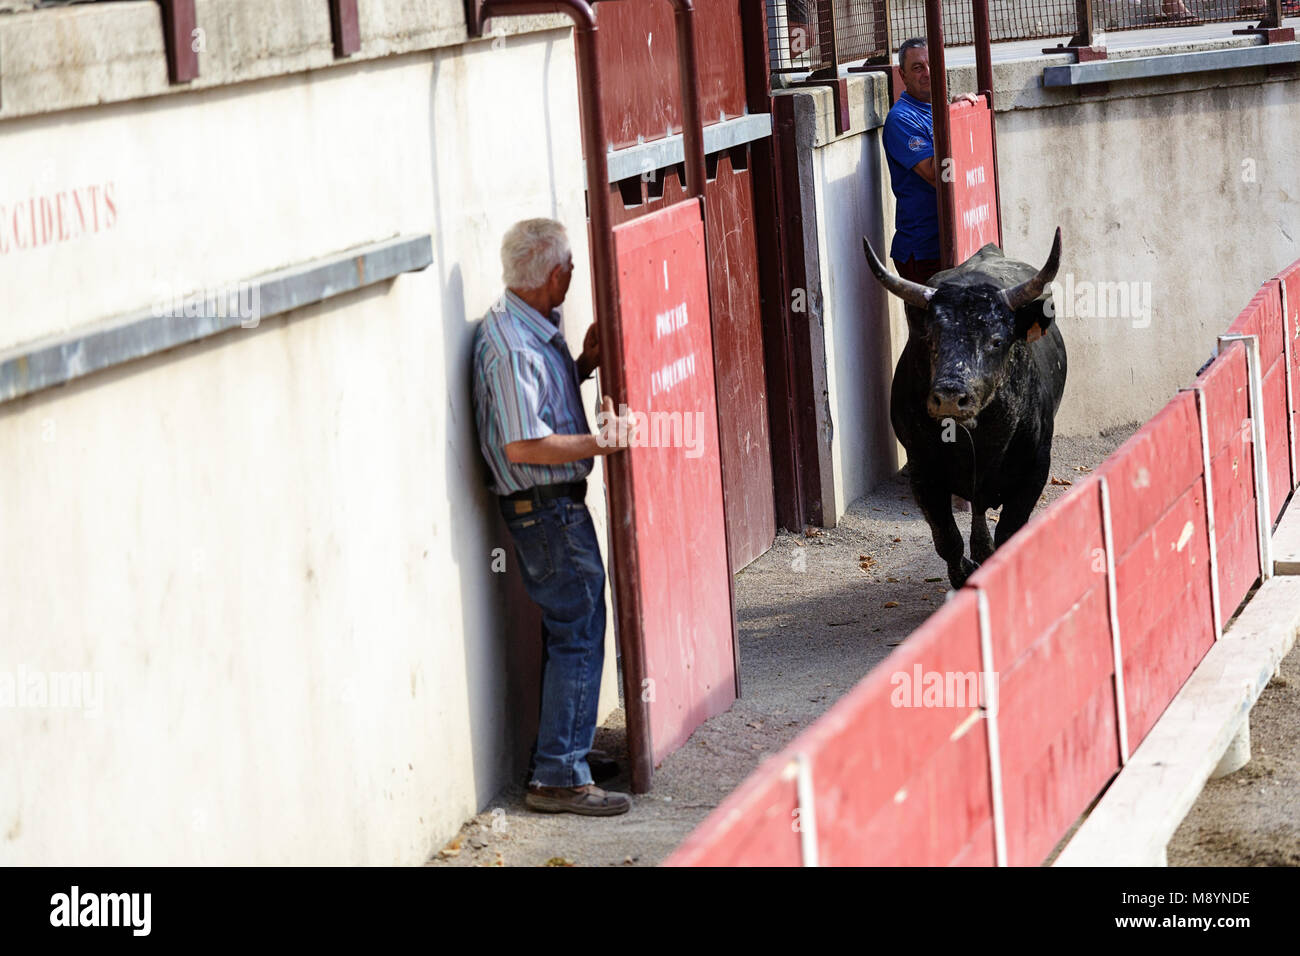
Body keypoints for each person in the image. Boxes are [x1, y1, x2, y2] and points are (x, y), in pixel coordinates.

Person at [471, 218, 637, 816]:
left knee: (572, 625)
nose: (572, 277)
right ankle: (559, 776)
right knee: (579, 627)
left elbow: (541, 407)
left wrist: (585, 364)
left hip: (549, 511)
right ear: (554, 274)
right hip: (545, 513)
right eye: (568, 268)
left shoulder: (528, 327)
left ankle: (562, 753)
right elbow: (524, 444)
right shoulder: (514, 343)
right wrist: (601, 444)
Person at [882, 37, 979, 286]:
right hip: (924, 252)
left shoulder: (939, 109)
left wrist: (956, 113)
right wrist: (953, 120)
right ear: (903, 76)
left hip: (953, 244)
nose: (927, 73)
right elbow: (939, 177)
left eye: (931, 65)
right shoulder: (901, 119)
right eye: (917, 68)